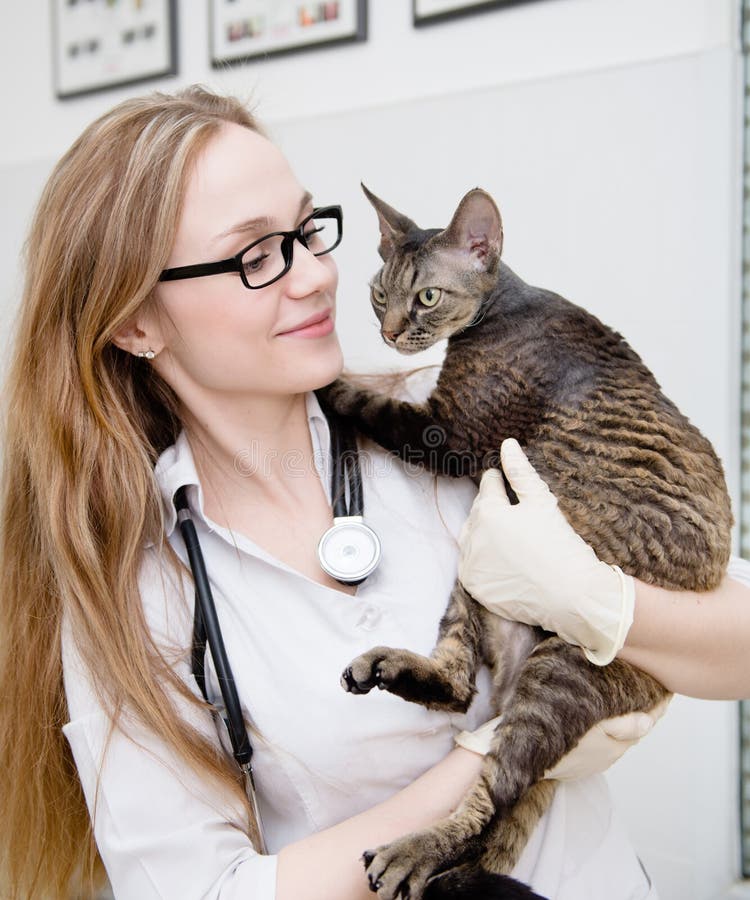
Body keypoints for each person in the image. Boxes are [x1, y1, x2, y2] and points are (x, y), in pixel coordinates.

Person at [0, 85, 747, 900]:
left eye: (309, 229)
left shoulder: (457, 422)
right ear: (137, 322)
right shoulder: (132, 587)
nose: (318, 276)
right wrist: (480, 765)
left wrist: (611, 608)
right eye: (257, 254)